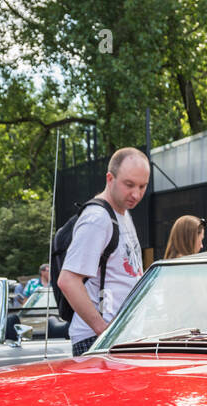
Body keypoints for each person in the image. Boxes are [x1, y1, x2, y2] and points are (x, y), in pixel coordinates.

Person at [57, 147, 149, 356]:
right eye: (129, 185)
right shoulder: (97, 218)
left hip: (120, 338)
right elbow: (68, 280)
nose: (136, 194)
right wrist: (104, 331)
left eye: (142, 186)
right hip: (98, 341)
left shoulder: (122, 212)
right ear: (110, 178)